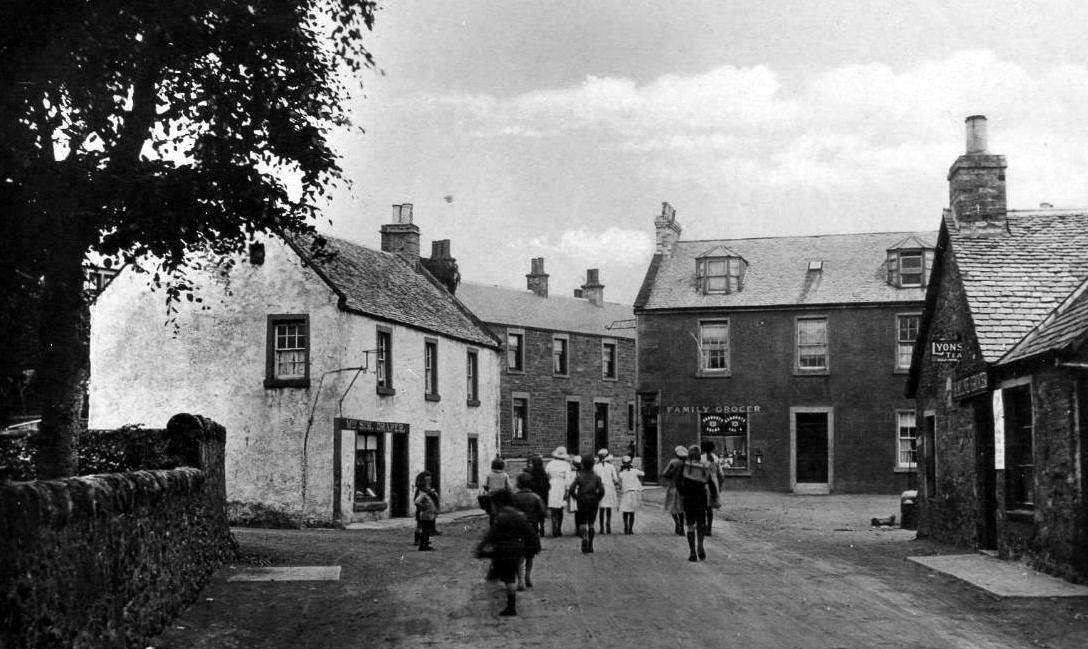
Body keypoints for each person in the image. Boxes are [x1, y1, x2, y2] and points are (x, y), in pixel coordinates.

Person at [475, 488, 535, 617]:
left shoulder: (500, 516)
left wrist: (481, 547)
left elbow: (491, 535)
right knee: (510, 577)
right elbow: (530, 533)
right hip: (518, 548)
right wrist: (530, 548)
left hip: (504, 550)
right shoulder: (520, 515)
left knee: (507, 579)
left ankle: (510, 607)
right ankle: (510, 604)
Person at [676, 444, 716, 562]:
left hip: (688, 499)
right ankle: (700, 544)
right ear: (699, 456)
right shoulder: (703, 467)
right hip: (701, 498)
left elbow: (678, 482)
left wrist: (683, 493)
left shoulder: (684, 467)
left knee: (690, 525)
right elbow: (711, 483)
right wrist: (714, 496)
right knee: (701, 523)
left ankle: (692, 552)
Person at [511, 472, 546, 590]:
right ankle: (527, 576)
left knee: (519, 556)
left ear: (518, 484)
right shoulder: (536, 497)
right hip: (532, 529)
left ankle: (520, 580)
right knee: (530, 556)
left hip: (517, 529)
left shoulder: (514, 497)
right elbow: (543, 512)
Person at [567, 452, 605, 553]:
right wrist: (597, 499)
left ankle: (584, 538)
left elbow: (571, 489)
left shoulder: (579, 476)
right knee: (591, 523)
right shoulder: (596, 477)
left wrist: (576, 498)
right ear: (593, 464)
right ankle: (591, 543)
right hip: (593, 500)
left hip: (582, 500)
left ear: (583, 464)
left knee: (583, 522)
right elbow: (602, 491)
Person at [544, 446, 573, 537]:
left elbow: (546, 475)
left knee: (553, 508)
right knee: (560, 508)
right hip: (561, 485)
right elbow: (568, 479)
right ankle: (559, 528)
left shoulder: (550, 464)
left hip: (552, 484)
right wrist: (567, 489)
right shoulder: (566, 465)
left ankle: (554, 527)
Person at [660, 446, 688, 535]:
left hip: (673, 486)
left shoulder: (673, 462)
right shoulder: (688, 463)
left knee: (672, 507)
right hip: (684, 488)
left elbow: (665, 473)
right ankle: (682, 527)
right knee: (681, 509)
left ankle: (677, 524)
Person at [700, 440, 725, 536]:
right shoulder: (716, 459)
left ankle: (703, 526)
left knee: (703, 507)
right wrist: (720, 486)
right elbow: (721, 475)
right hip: (713, 484)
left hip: (703, 483)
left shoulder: (700, 459)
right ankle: (709, 528)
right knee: (710, 508)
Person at [593, 448, 620, 534]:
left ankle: (601, 528)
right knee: (608, 508)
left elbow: (594, 479)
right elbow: (615, 479)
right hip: (609, 488)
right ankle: (608, 525)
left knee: (601, 508)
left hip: (600, 488)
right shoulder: (611, 466)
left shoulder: (595, 466)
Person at [617, 455, 645, 534]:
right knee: (632, 512)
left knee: (625, 511)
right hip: (633, 493)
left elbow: (619, 482)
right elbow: (642, 473)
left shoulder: (622, 473)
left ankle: (626, 527)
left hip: (626, 493)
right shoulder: (635, 471)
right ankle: (630, 529)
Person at [483, 457, 514, 525]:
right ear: (502, 466)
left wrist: (489, 489)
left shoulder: (489, 475)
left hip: (492, 495)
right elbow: (509, 486)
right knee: (502, 511)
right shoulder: (505, 475)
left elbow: (485, 485)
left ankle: (492, 526)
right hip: (502, 496)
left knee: (493, 512)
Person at [413, 471, 438, 551]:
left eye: (429, 480)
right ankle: (419, 541)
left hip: (428, 512)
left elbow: (433, 499)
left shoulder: (428, 490)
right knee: (420, 527)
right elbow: (416, 501)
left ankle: (424, 542)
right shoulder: (421, 491)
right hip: (422, 511)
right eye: (427, 480)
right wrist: (422, 507)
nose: (429, 482)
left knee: (425, 528)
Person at [525, 454, 550, 536]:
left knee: (533, 512)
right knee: (541, 512)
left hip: (533, 494)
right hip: (543, 495)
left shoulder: (530, 473)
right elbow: (548, 485)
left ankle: (536, 528)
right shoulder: (544, 473)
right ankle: (542, 526)